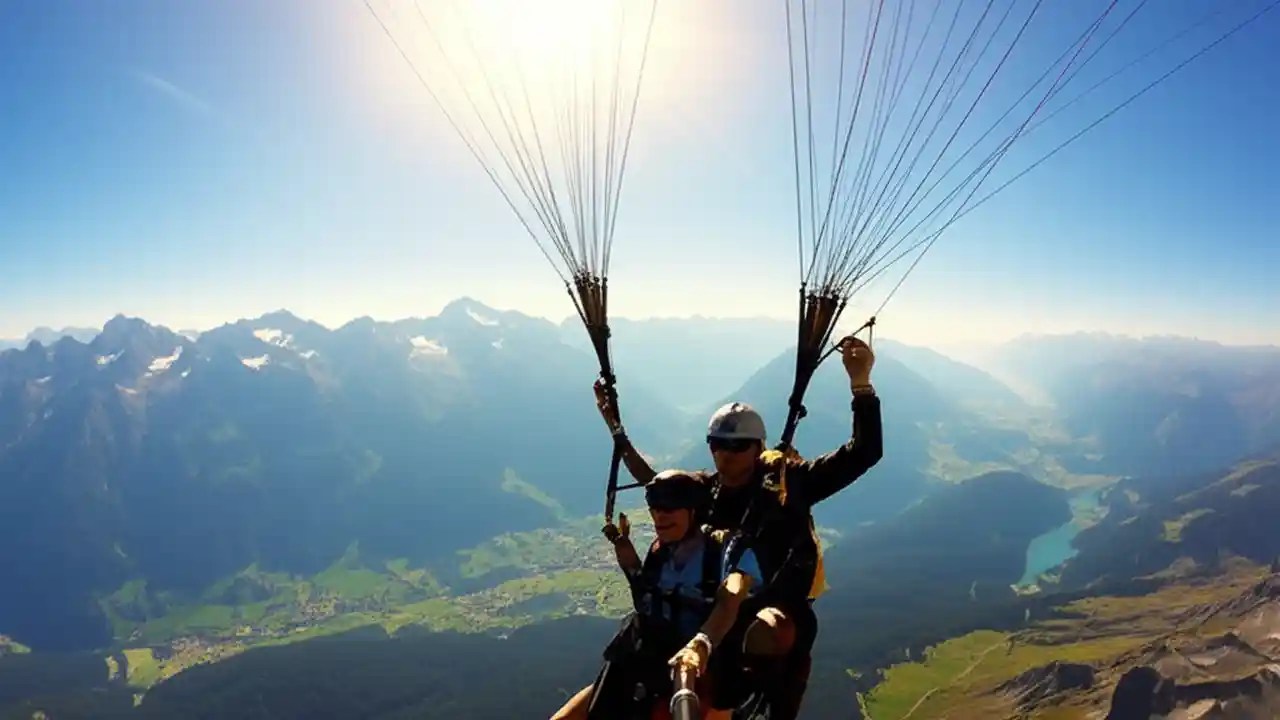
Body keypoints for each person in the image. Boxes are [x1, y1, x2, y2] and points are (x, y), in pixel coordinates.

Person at [592, 336, 883, 718]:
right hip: (722, 608)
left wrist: (861, 383)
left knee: (767, 630)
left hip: (777, 602)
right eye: (717, 445)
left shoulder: (788, 484)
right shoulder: (708, 491)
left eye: (739, 446)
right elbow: (657, 483)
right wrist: (617, 431)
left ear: (758, 446)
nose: (726, 455)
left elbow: (864, 453)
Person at [550, 470, 767, 720]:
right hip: (647, 657)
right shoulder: (661, 552)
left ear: (694, 510)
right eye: (654, 507)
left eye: (669, 507)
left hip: (704, 667)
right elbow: (647, 603)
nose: (659, 515)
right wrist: (629, 561)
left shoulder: (727, 548)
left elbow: (730, 599)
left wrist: (701, 645)